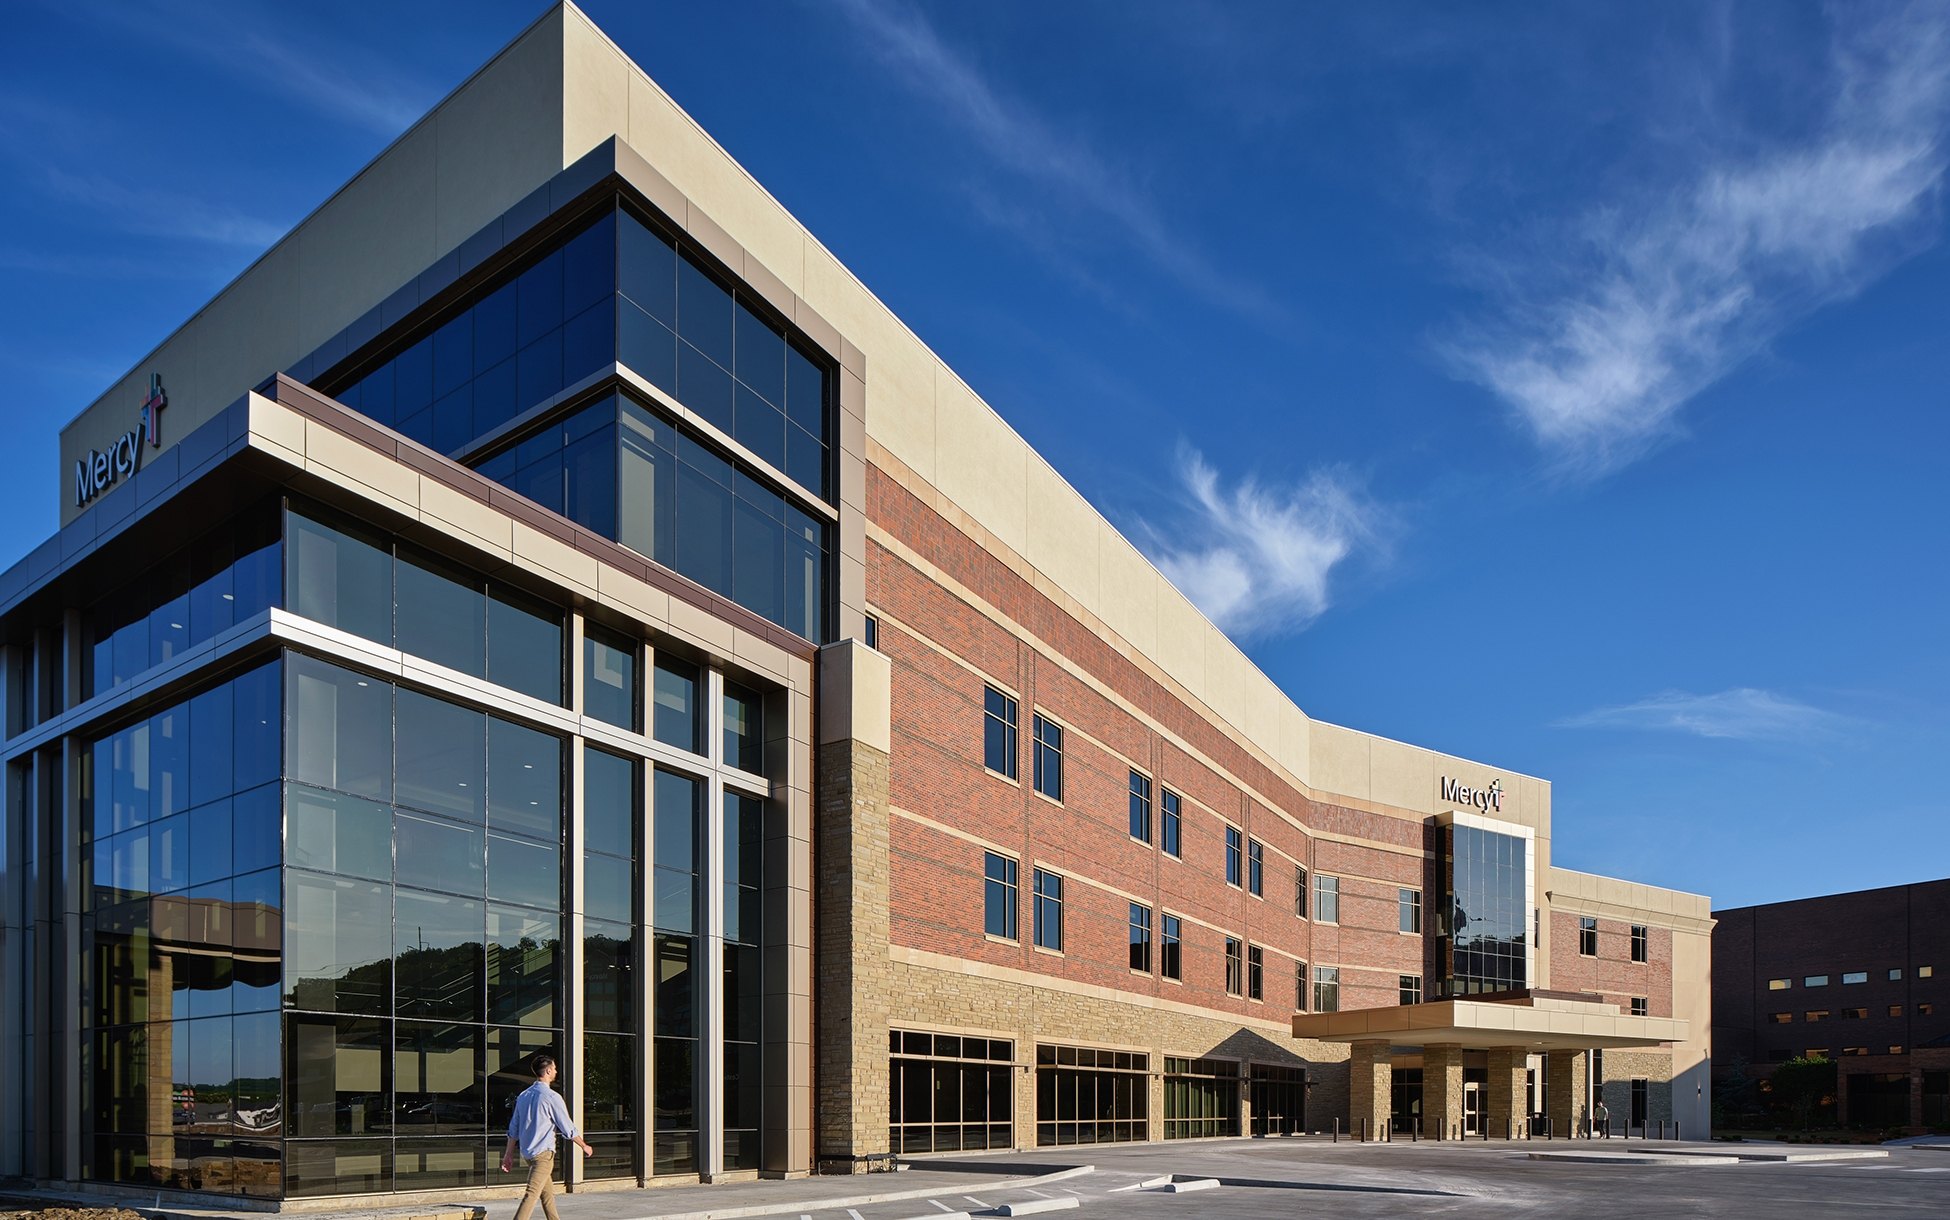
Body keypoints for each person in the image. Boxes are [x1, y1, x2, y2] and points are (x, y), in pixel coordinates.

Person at [500, 1054, 594, 1220]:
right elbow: (567, 1127)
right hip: (543, 1155)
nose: (556, 1071)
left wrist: (508, 1155)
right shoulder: (552, 1097)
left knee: (547, 1195)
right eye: (555, 1068)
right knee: (531, 1194)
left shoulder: (523, 1096)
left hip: (528, 1154)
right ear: (548, 1071)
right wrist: (583, 1145)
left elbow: (513, 1129)